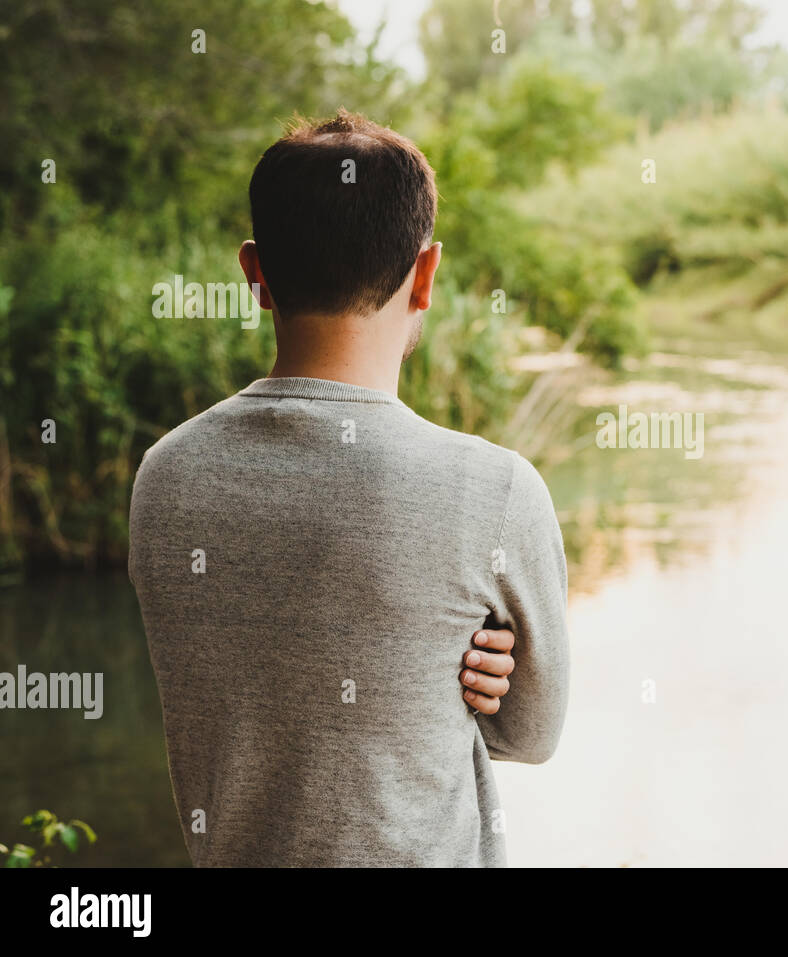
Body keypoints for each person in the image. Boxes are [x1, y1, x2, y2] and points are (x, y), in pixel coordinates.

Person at [128, 109, 570, 867]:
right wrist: (454, 675)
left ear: (254, 274)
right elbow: (531, 733)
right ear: (425, 275)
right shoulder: (493, 489)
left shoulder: (166, 473)